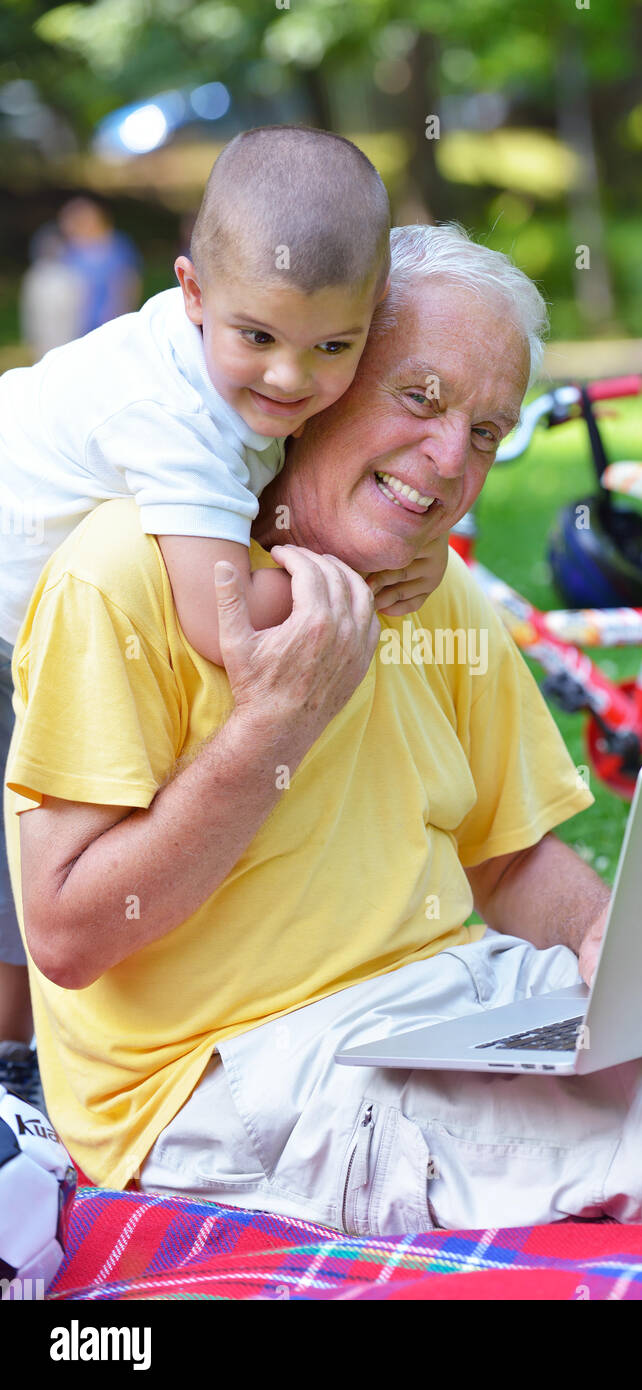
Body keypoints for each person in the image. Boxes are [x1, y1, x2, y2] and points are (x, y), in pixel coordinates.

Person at [5, 224, 642, 1237]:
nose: (451, 459)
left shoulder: (434, 581)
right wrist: (280, 720)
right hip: (241, 1080)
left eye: (489, 430)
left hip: (465, 1004)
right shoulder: (128, 571)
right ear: (323, 379)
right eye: (419, 398)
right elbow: (64, 933)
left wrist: (608, 943)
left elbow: (507, 861)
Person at [0, 126, 450, 1107]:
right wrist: (349, 586)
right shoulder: (168, 413)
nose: (290, 380)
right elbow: (221, 621)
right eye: (258, 339)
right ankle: (15, 1067)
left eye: (333, 347)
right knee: (27, 848)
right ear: (191, 292)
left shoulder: (239, 367)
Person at [56, 196, 141, 335]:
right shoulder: (70, 251)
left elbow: (126, 285)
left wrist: (116, 317)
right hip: (76, 327)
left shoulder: (117, 247)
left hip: (107, 323)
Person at [18, 223, 86, 362]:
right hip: (43, 335)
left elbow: (80, 307)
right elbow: (29, 310)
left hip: (69, 334)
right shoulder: (35, 276)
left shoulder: (72, 273)